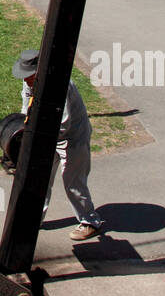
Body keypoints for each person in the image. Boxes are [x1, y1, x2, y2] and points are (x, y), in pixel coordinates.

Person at [11, 49, 104, 241]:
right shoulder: (29, 82)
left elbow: (63, 123)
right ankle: (35, 218)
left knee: (73, 181)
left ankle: (90, 221)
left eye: (29, 76)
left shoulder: (60, 85)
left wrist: (38, 142)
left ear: (40, 71)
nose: (26, 80)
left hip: (72, 137)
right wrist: (24, 133)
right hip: (46, 135)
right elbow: (26, 109)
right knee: (40, 178)